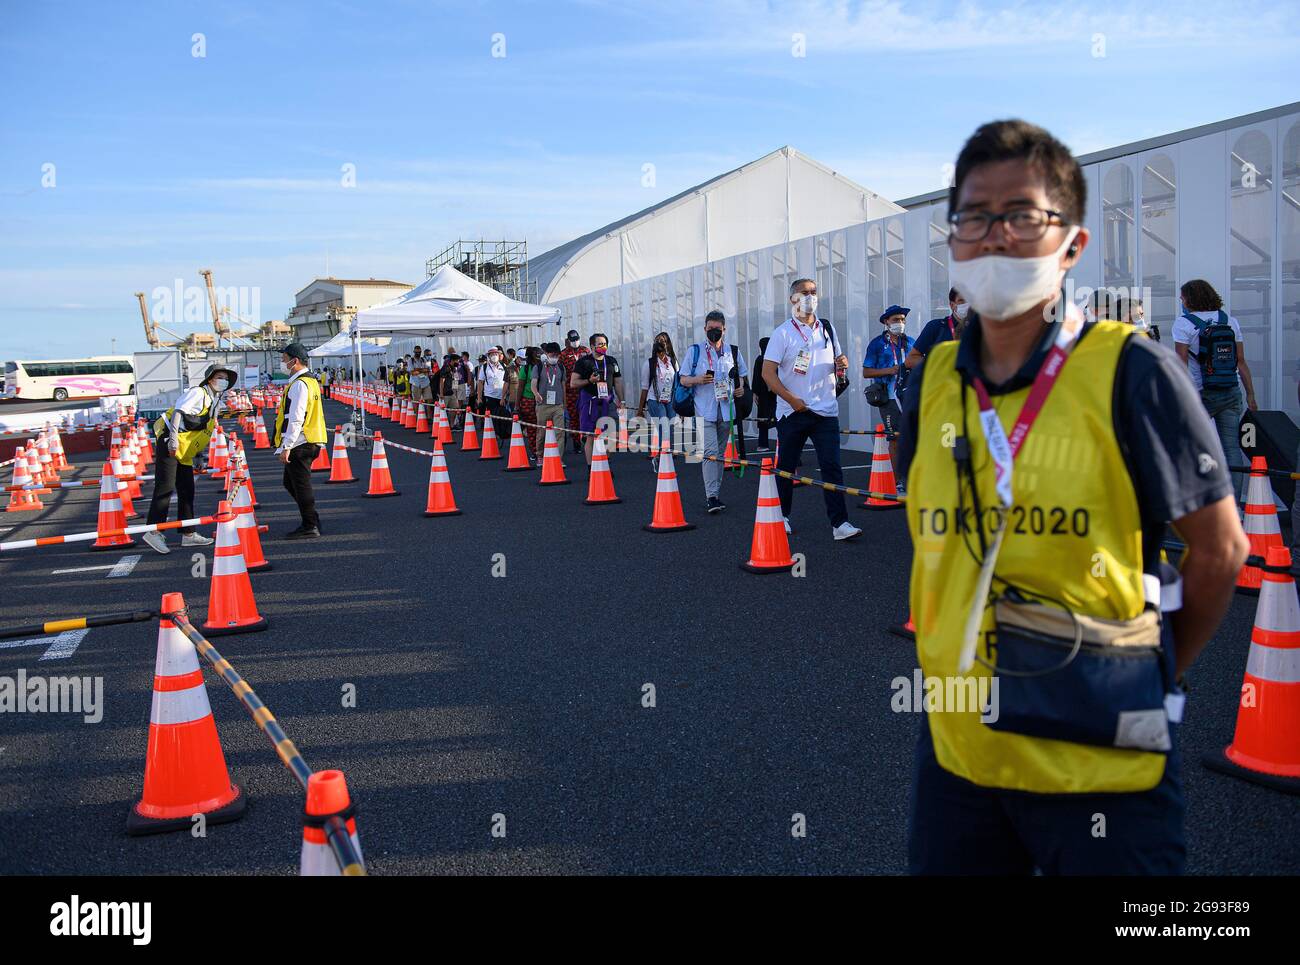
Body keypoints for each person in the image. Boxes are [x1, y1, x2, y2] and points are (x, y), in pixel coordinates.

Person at [897, 118, 1248, 875]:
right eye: (972, 217)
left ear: (1072, 244)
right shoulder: (931, 382)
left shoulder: (1133, 372)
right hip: (957, 757)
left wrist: (1148, 671)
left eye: (1022, 216)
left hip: (1099, 764)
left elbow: (1221, 550)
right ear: (952, 241)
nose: (993, 237)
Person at [762, 279, 860, 541]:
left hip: (825, 411)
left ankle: (840, 523)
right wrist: (791, 398)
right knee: (786, 467)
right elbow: (767, 374)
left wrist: (842, 363)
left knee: (832, 467)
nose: (811, 297)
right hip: (793, 411)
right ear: (793, 298)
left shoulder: (826, 328)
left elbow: (836, 363)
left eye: (814, 292)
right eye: (805, 292)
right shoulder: (782, 333)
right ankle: (781, 516)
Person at [1172, 279, 1256, 500]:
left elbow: (1180, 363)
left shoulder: (1184, 323)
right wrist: (1251, 395)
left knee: (1187, 445)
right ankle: (1234, 503)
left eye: (1183, 297)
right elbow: (1241, 361)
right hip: (1230, 391)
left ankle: (1191, 500)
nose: (1181, 301)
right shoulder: (1230, 321)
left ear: (1191, 298)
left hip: (1200, 394)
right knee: (1231, 449)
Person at [140, 362, 233, 554]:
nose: (223, 381)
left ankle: (188, 534)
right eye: (219, 378)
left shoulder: (214, 400)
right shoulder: (198, 393)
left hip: (185, 449)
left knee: (187, 490)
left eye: (225, 379)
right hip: (171, 442)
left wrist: (199, 455)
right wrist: (172, 440)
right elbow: (178, 413)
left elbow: (203, 431)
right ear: (209, 379)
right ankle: (153, 531)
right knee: (165, 488)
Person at [679, 311, 747, 512]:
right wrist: (698, 379)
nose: (714, 333)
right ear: (705, 329)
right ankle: (712, 497)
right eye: (710, 330)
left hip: (726, 410)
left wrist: (740, 387)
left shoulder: (732, 351)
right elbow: (683, 379)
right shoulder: (695, 351)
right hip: (704, 410)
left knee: (719, 453)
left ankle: (715, 492)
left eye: (717, 330)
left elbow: (741, 375)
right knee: (710, 452)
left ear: (724, 330)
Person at [275, 342, 328, 539]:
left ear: (294, 361)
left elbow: (296, 416)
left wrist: (286, 446)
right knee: (290, 482)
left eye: (284, 359)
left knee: (300, 484)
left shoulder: (299, 384)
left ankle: (310, 525)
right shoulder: (311, 381)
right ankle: (311, 519)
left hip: (300, 441)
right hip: (311, 438)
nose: (282, 362)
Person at [862, 305, 916, 477]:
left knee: (915, 437)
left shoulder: (911, 342)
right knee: (895, 439)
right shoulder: (877, 344)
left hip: (910, 396)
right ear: (886, 322)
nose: (900, 323)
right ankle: (898, 480)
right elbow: (866, 372)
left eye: (902, 320)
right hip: (889, 398)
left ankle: (915, 477)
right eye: (895, 320)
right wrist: (890, 370)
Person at [571, 332, 624, 466]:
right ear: (592, 346)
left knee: (612, 435)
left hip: (608, 401)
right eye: (600, 344)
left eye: (605, 344)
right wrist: (589, 380)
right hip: (590, 402)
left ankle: (605, 463)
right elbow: (573, 383)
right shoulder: (583, 362)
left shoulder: (611, 361)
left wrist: (622, 401)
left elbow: (618, 382)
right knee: (590, 436)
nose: (603, 346)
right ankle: (591, 467)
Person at [905, 289, 970, 378]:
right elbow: (911, 360)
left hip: (971, 386)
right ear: (952, 305)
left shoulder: (981, 329)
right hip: (942, 386)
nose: (967, 305)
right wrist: (939, 364)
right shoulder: (936, 327)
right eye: (961, 301)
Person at [636, 331, 678, 463]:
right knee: (663, 425)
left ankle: (666, 452)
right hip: (655, 399)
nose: (660, 343)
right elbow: (644, 387)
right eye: (658, 341)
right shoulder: (649, 364)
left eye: (663, 341)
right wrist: (640, 409)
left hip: (670, 399)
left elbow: (678, 382)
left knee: (670, 426)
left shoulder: (673, 362)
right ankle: (662, 457)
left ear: (668, 344)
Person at [532, 342, 568, 460]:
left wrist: (564, 404)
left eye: (557, 355)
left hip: (558, 405)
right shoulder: (538, 367)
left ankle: (558, 458)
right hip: (543, 405)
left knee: (560, 433)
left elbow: (563, 386)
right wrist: (536, 394)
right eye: (552, 355)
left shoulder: (561, 367)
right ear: (546, 354)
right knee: (541, 432)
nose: (554, 357)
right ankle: (540, 455)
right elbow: (533, 384)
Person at [560, 329, 590, 454]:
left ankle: (587, 439)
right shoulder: (563, 354)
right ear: (568, 341)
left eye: (577, 339)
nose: (575, 342)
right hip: (571, 390)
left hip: (586, 388)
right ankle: (577, 442)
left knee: (586, 415)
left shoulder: (586, 351)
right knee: (573, 418)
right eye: (572, 340)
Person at [476, 346, 512, 446]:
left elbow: (507, 382)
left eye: (496, 354)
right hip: (490, 396)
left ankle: (501, 434)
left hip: (502, 396)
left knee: (502, 416)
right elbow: (480, 383)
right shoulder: (484, 367)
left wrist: (504, 396)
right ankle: (495, 434)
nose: (494, 356)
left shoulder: (504, 366)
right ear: (489, 356)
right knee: (493, 416)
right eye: (492, 355)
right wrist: (479, 397)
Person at [516, 346, 542, 463]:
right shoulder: (526, 369)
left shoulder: (544, 366)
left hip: (543, 401)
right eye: (537, 353)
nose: (539, 354)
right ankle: (535, 452)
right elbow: (520, 387)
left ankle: (542, 451)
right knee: (532, 428)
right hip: (528, 400)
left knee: (542, 427)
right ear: (531, 355)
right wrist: (517, 405)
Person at [753, 336, 778, 449]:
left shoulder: (760, 359)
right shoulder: (774, 359)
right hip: (776, 392)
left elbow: (756, 377)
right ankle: (781, 442)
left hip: (763, 394)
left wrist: (755, 392)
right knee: (778, 418)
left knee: (763, 419)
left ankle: (763, 444)